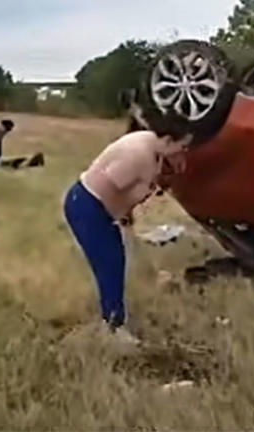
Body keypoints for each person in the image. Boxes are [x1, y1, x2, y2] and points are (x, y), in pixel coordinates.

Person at [63, 127, 192, 345]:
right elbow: (110, 185)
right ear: (169, 139)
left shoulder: (154, 149)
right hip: (88, 207)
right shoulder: (139, 153)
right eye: (183, 146)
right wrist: (119, 214)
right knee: (110, 264)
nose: (185, 151)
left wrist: (125, 215)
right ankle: (112, 328)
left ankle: (113, 319)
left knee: (115, 262)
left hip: (98, 209)